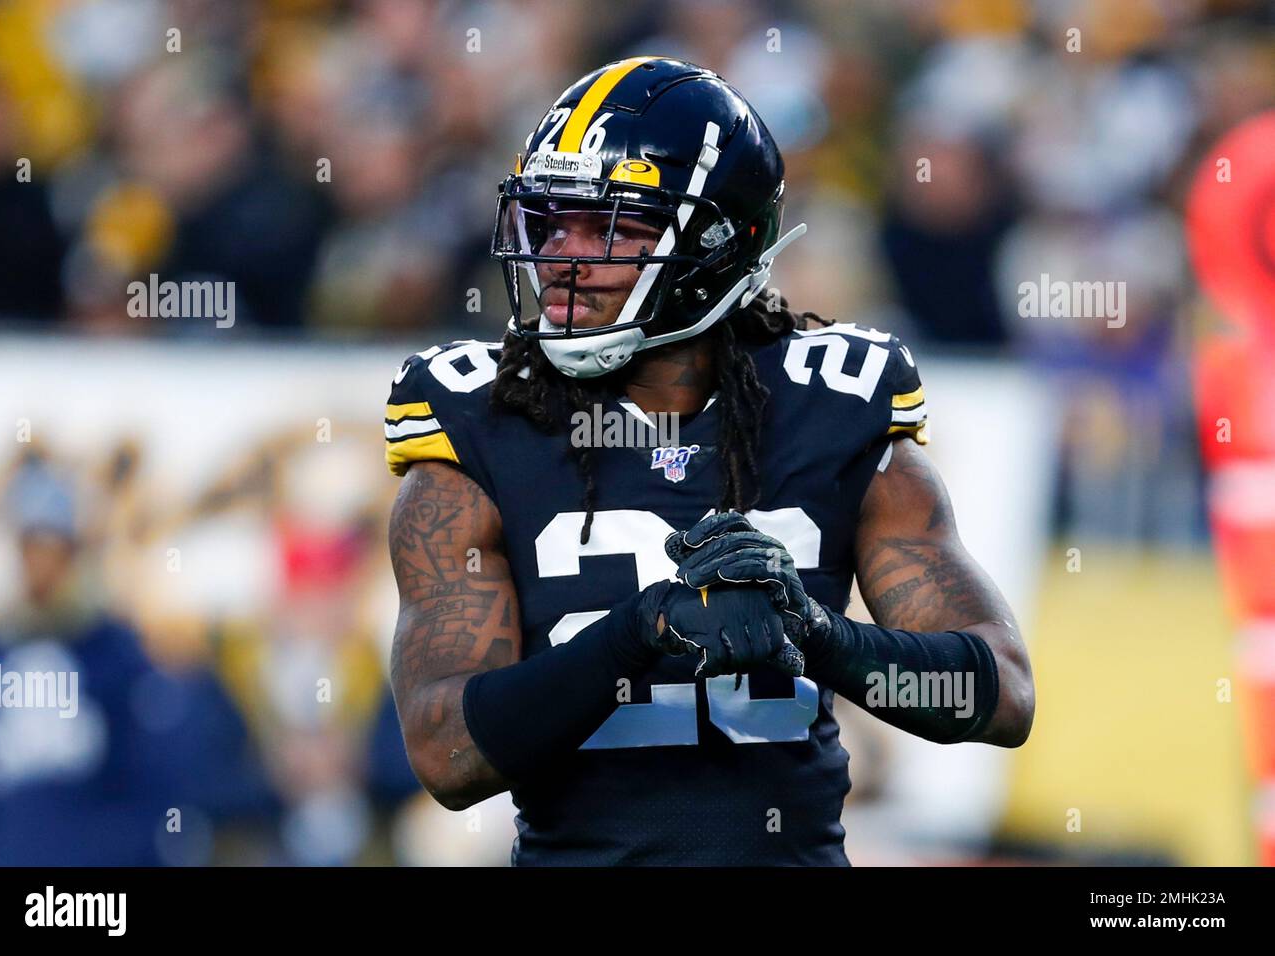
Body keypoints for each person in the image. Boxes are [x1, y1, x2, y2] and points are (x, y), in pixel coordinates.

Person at [383, 56, 1033, 865]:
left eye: (612, 226)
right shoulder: (480, 420)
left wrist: (818, 636)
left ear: (719, 244)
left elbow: (1001, 695)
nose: (562, 258)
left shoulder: (829, 406)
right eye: (551, 221)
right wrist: (639, 632)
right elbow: (445, 755)